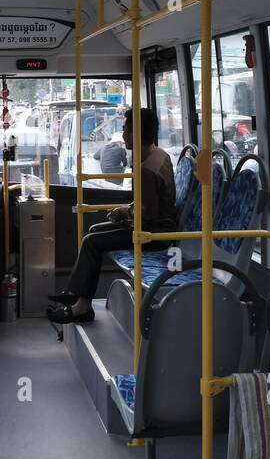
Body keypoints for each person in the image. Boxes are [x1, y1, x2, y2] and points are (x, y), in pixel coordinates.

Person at [47, 108, 176, 324]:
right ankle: (76, 294)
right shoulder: (159, 155)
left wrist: (126, 215)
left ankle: (83, 307)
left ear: (137, 132)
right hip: (161, 224)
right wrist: (127, 209)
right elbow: (152, 201)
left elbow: (149, 216)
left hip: (156, 235)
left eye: (126, 130)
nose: (123, 134)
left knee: (92, 241)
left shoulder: (145, 170)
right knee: (93, 231)